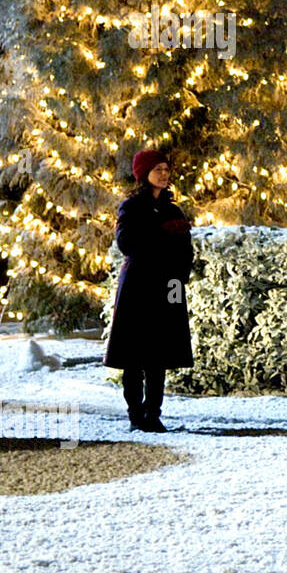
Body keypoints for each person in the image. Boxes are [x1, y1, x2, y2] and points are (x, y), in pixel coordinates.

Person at [103, 149, 194, 433]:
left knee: (160, 353)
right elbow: (127, 242)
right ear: (144, 174)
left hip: (169, 285)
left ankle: (153, 414)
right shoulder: (131, 207)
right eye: (158, 169)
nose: (164, 174)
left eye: (167, 169)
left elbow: (184, 249)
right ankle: (135, 414)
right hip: (138, 287)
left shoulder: (173, 210)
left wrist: (179, 281)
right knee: (134, 354)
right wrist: (163, 240)